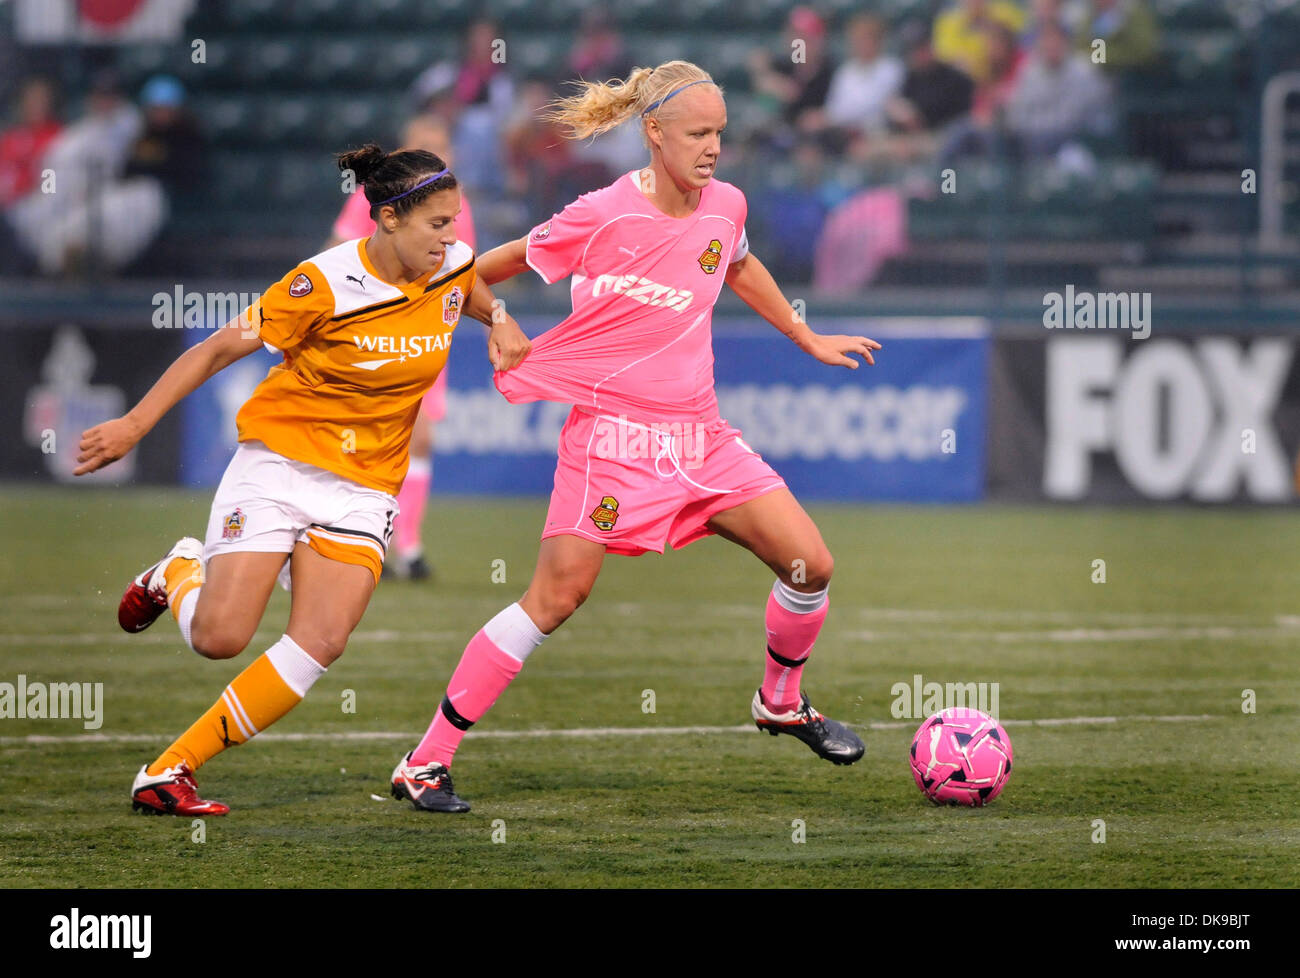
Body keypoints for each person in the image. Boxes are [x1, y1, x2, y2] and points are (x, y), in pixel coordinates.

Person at [389, 60, 882, 813]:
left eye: (720, 132)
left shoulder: (727, 205)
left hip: (703, 441)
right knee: (554, 599)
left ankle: (780, 701)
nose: (713, 147)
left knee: (811, 563)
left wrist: (803, 334)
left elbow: (739, 264)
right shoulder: (601, 213)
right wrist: (497, 320)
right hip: (611, 444)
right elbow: (477, 268)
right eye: (698, 133)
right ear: (654, 134)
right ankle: (425, 762)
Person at [74, 144, 531, 815]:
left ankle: (169, 771)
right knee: (219, 639)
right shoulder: (319, 284)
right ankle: (177, 571)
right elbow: (215, 348)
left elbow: (468, 288)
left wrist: (502, 318)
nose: (453, 237)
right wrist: (135, 426)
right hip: (280, 464)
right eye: (437, 223)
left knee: (321, 641)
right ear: (388, 218)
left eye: (455, 221)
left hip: (366, 486)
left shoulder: (451, 266)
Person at [327, 114, 476, 580]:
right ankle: (363, 538)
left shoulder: (457, 205)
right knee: (369, 440)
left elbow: (463, 269)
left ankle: (404, 543)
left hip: (427, 334)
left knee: (421, 438)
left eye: (440, 145)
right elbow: (340, 246)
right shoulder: (375, 197)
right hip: (377, 333)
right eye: (423, 144)